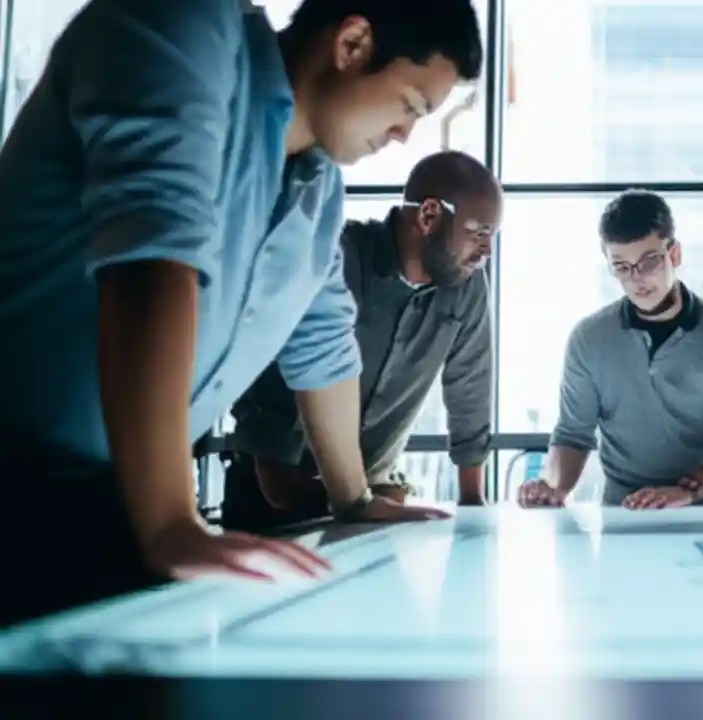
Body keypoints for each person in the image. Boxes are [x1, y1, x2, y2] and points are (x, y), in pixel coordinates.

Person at [0, 0, 482, 626]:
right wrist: (170, 520)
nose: (403, 136)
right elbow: (153, 256)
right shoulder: (183, 28)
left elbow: (325, 349)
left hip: (113, 500)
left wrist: (355, 500)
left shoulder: (317, 194)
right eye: (411, 105)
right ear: (353, 43)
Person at [223, 151, 499, 531]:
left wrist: (472, 505)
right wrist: (286, 490)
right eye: (479, 233)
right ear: (429, 215)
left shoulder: (466, 287)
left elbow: (470, 385)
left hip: (371, 498)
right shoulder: (336, 259)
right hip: (273, 486)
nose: (487, 251)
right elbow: (270, 375)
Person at [518, 190, 703, 509]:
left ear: (674, 254)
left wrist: (686, 492)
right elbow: (573, 435)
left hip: (701, 510)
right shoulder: (589, 340)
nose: (636, 279)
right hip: (620, 512)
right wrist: (552, 487)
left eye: (649, 262)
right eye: (622, 266)